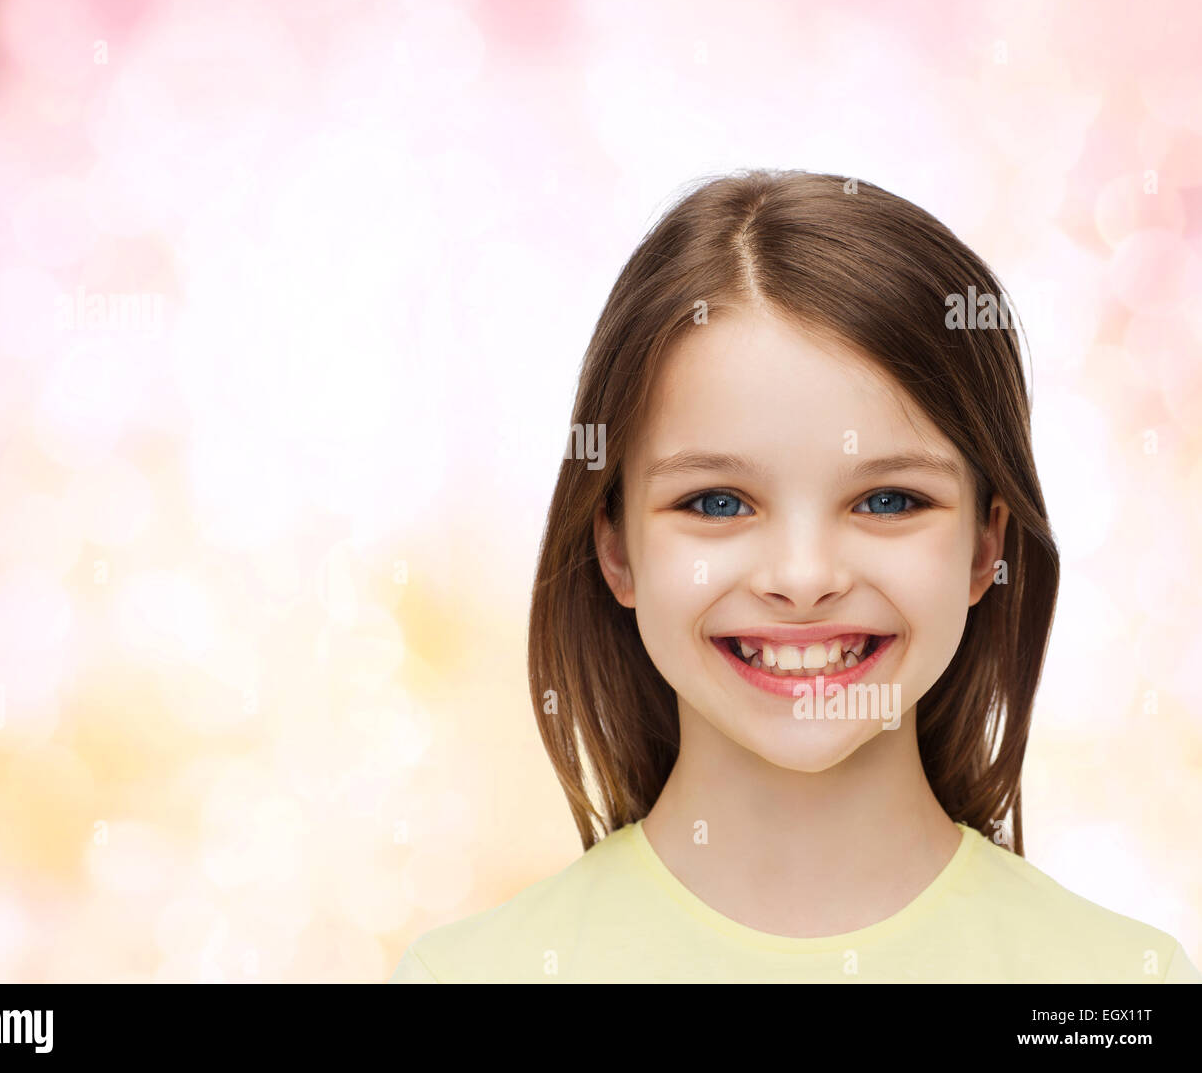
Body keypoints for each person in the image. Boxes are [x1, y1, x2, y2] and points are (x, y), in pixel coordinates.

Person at [388, 169, 1201, 983]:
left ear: (988, 544)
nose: (803, 577)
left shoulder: (1120, 987)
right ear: (616, 546)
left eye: (888, 499)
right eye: (715, 501)